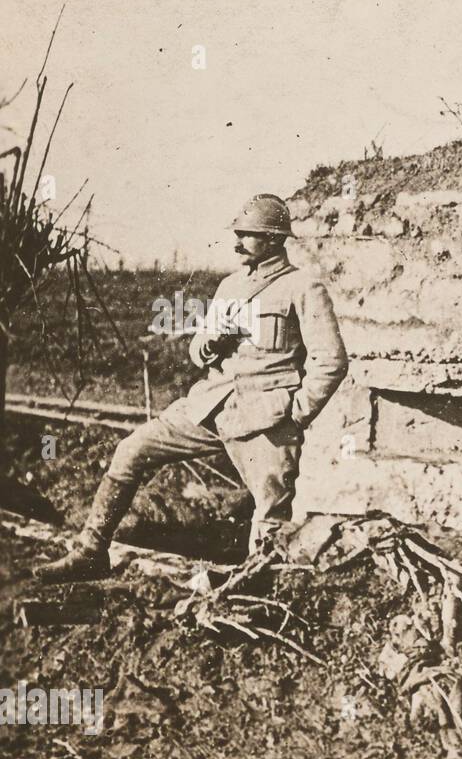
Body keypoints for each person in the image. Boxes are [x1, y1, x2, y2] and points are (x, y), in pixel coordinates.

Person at [35, 194, 348, 583]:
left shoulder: (303, 287)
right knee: (131, 450)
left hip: (267, 418)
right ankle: (90, 550)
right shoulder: (230, 286)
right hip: (211, 405)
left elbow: (331, 360)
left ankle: (257, 595)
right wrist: (211, 342)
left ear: (272, 240)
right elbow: (197, 353)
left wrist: (294, 414)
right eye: (237, 234)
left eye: (246, 236)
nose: (236, 244)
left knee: (269, 517)